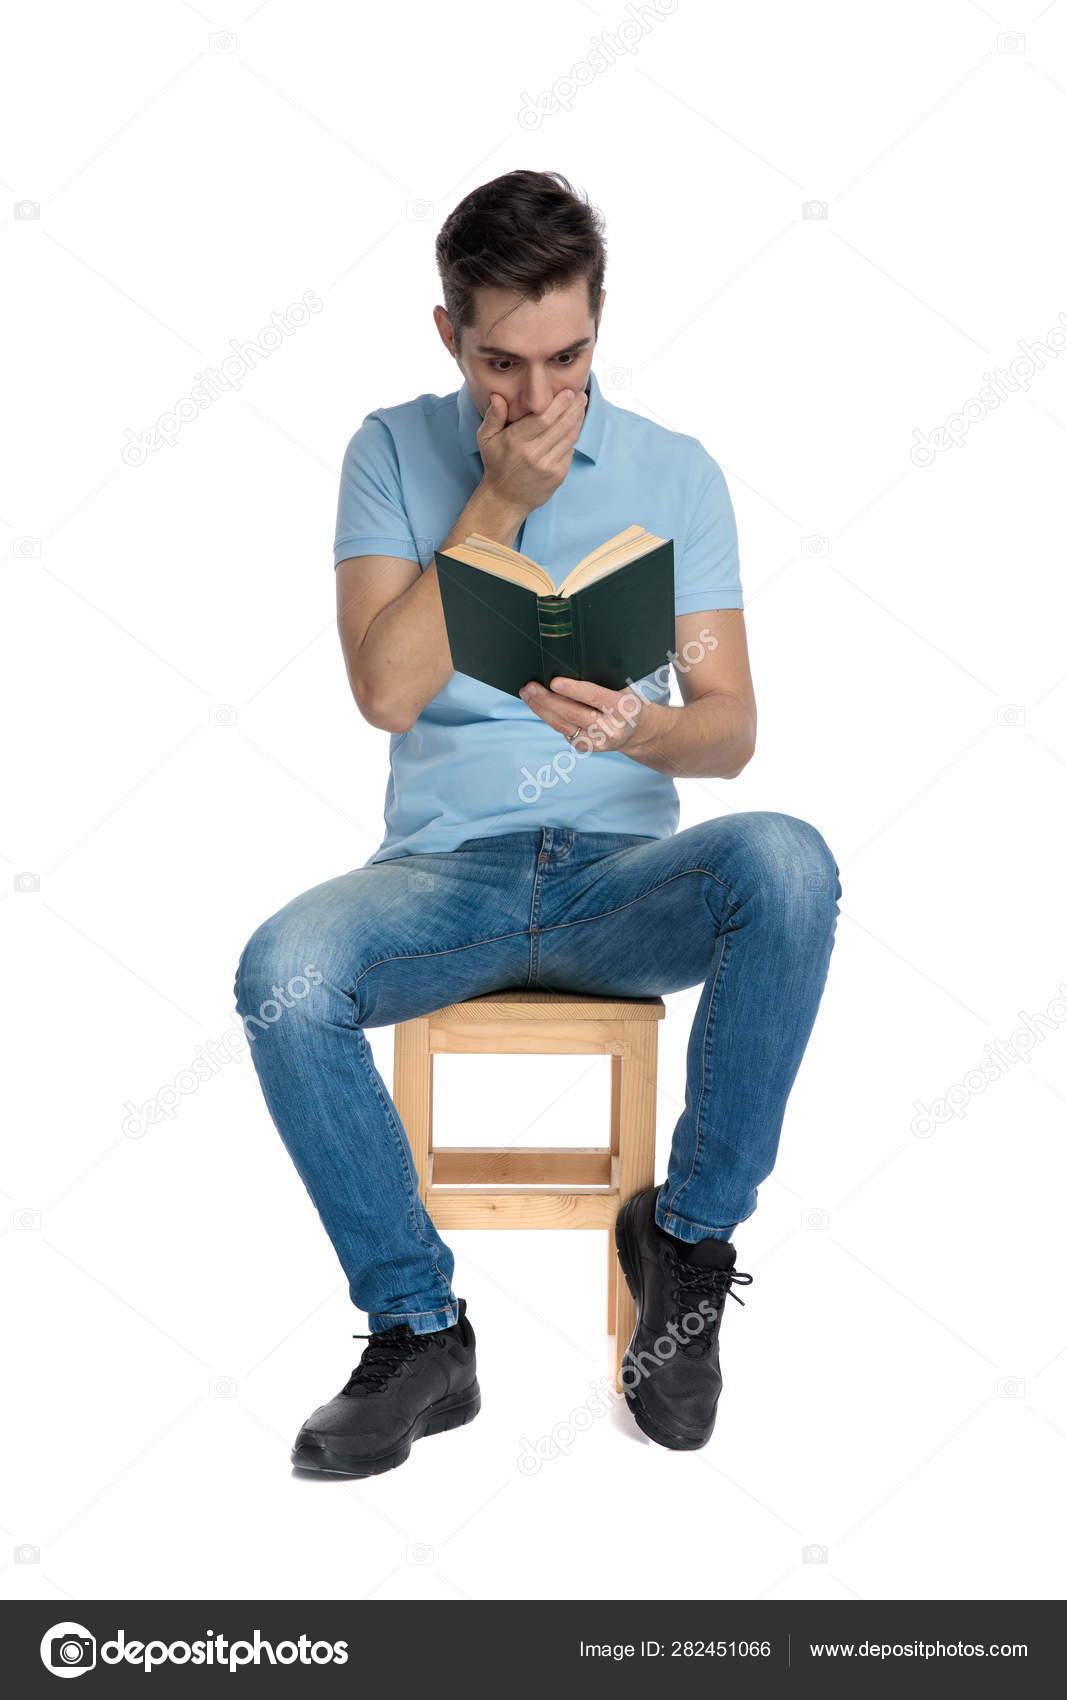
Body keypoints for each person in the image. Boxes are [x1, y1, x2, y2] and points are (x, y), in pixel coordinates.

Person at [234, 169, 841, 1478]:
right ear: (448, 334)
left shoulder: (676, 476)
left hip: (624, 883)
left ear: (601, 319)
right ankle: (419, 1330)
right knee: (283, 977)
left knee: (790, 863)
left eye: (566, 355)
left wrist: (644, 727)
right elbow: (383, 690)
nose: (537, 398)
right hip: (440, 882)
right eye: (501, 363)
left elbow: (731, 725)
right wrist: (497, 506)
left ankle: (685, 1247)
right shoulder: (391, 452)